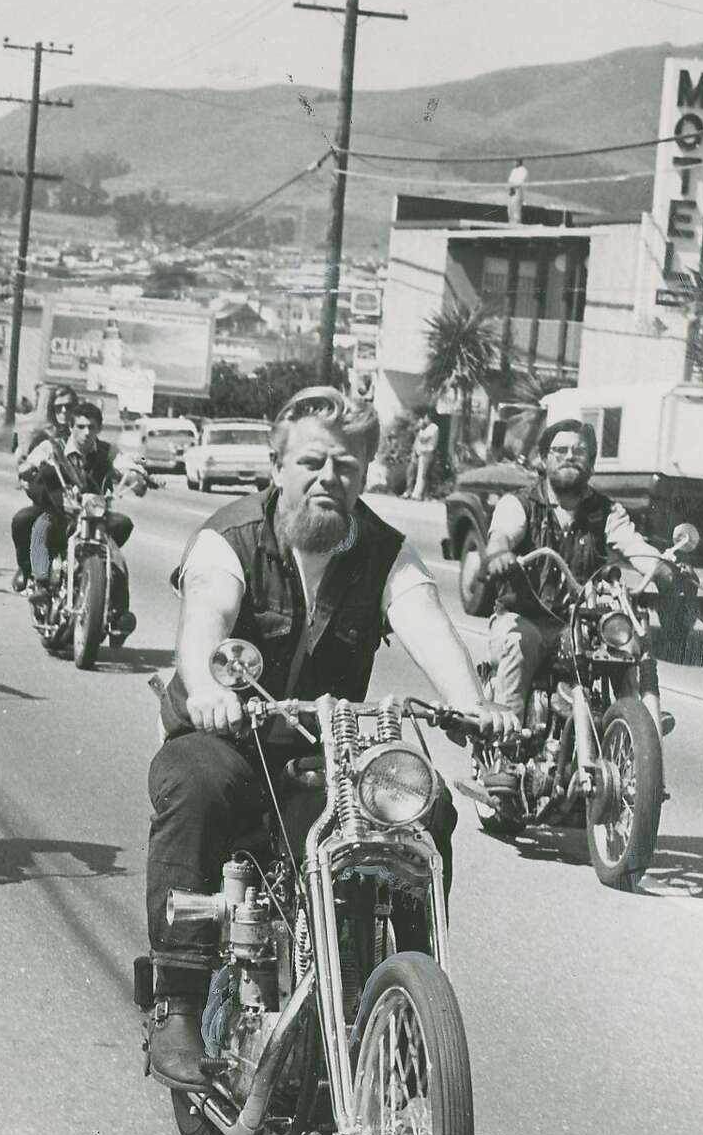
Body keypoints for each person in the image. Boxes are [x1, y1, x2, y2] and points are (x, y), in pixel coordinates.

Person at [142, 386, 519, 1088]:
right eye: (311, 462)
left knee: (423, 807)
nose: (327, 478)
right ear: (278, 465)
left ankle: (407, 1000)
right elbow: (205, 620)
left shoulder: (383, 551)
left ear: (366, 473)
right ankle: (179, 1003)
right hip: (228, 736)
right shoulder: (231, 539)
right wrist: (208, 690)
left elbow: (427, 623)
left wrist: (475, 707)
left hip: (325, 748)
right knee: (197, 785)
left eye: (345, 467)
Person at [479, 418, 673, 730]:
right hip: (523, 617)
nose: (570, 456)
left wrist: (662, 568)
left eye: (579, 451)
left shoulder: (606, 511)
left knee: (624, 645)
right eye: (560, 450)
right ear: (544, 459)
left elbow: (633, 545)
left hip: (582, 623)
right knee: (519, 643)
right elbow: (503, 533)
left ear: (593, 462)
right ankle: (506, 746)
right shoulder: (519, 504)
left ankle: (638, 723)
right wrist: (500, 554)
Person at [19, 401, 142, 643]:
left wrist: (139, 473)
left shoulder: (108, 451)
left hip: (93, 517)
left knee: (119, 540)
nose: (87, 433)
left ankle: (118, 614)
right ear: (72, 427)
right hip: (59, 514)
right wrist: (30, 467)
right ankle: (38, 581)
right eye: (82, 426)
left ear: (99, 429)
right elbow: (29, 463)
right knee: (33, 524)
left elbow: (128, 465)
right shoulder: (52, 447)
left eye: (92, 428)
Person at [10, 386, 78, 592]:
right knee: (21, 520)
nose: (64, 412)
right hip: (50, 506)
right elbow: (29, 472)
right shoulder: (44, 440)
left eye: (69, 407)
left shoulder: (84, 436)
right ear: (52, 411)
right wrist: (29, 480)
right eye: (59, 408)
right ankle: (25, 568)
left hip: (81, 508)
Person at [407, 413, 441, 500]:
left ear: (429, 418)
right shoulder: (429, 428)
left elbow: (423, 439)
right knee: (421, 474)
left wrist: (420, 430)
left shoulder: (433, 427)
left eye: (426, 418)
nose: (425, 420)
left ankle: (417, 494)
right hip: (423, 453)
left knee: (422, 474)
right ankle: (420, 494)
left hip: (427, 453)